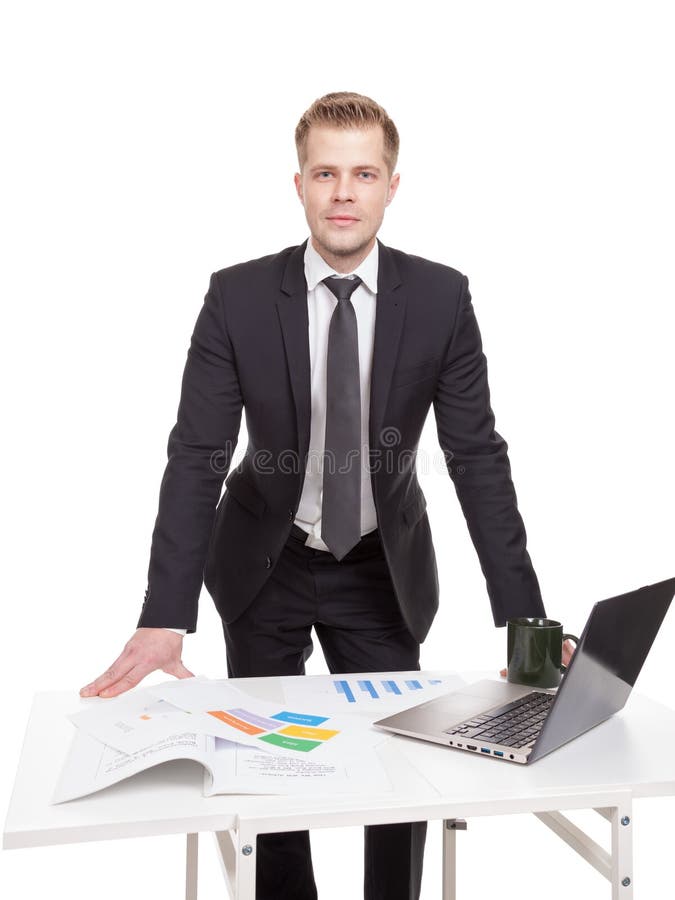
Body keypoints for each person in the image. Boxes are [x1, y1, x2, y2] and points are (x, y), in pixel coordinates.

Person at [80, 91, 574, 900]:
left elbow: (475, 455)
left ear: (391, 186)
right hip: (260, 567)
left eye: (363, 173)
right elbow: (197, 454)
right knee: (269, 780)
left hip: (380, 567)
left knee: (397, 773)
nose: (343, 192)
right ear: (300, 184)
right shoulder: (236, 296)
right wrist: (166, 612)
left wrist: (523, 618)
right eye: (325, 173)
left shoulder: (440, 297)